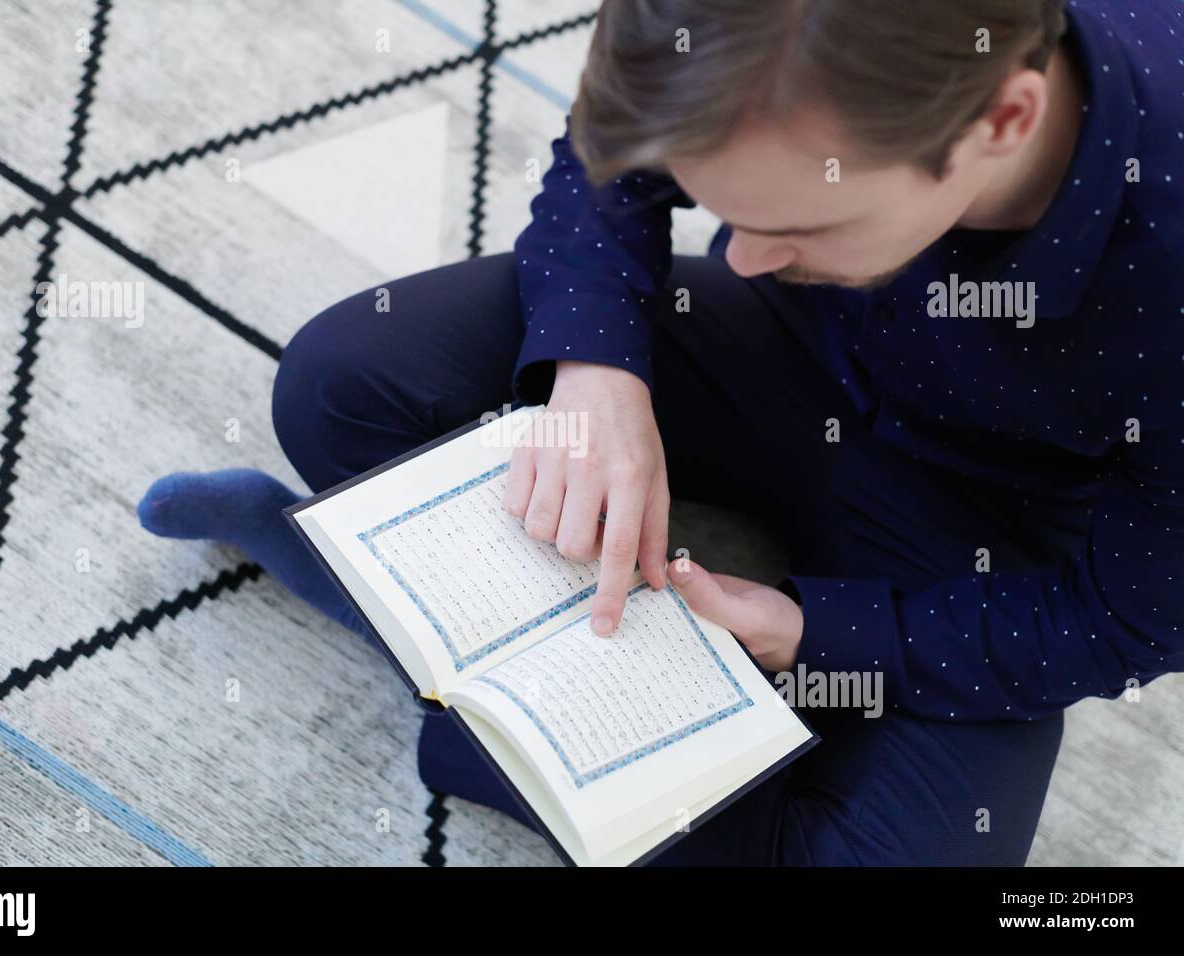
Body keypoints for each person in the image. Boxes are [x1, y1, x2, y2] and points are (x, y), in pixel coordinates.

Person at [137, 0, 1184, 865]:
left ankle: (429, 635)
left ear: (1003, 120)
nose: (738, 250)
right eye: (732, 207)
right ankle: (553, 688)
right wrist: (597, 376)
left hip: (979, 518)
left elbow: (1127, 618)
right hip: (769, 350)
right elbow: (609, 150)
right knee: (338, 386)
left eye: (804, 223)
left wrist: (822, 635)